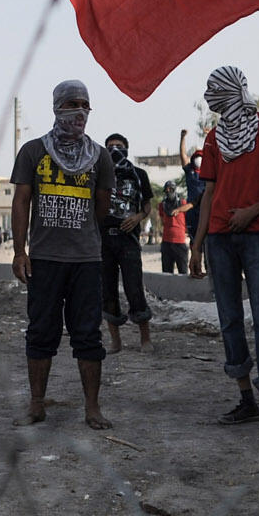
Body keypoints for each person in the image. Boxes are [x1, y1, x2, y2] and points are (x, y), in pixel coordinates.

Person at [189, 66, 259, 433]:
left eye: (215, 91)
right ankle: (246, 400)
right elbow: (208, 193)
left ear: (234, 91)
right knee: (229, 319)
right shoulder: (213, 137)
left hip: (257, 236)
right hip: (219, 240)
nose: (210, 98)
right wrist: (197, 244)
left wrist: (253, 211)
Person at [11, 81, 115, 429]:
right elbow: (22, 201)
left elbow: (101, 207)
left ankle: (92, 408)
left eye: (86, 104)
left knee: (88, 335)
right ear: (57, 106)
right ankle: (36, 405)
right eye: (73, 103)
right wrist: (18, 251)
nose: (80, 110)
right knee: (41, 332)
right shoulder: (32, 151)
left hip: (86, 260)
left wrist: (85, 236)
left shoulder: (100, 156)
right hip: (44, 258)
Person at [98, 132, 154, 352]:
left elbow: (147, 205)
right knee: (107, 290)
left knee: (134, 288)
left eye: (119, 146)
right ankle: (115, 341)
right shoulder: (99, 174)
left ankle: (145, 339)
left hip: (128, 240)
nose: (114, 149)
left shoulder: (138, 174)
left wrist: (138, 217)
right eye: (110, 146)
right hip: (103, 240)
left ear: (127, 149)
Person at [176, 131, 207, 240]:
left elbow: (213, 152)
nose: (199, 160)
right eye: (197, 157)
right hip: (192, 211)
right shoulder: (190, 170)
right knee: (194, 239)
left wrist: (208, 136)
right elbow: (183, 155)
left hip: (205, 208)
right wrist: (182, 138)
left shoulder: (208, 171)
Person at [158, 182, 192, 274]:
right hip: (166, 242)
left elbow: (188, 217)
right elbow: (162, 221)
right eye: (167, 190)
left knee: (183, 272)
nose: (168, 192)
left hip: (180, 242)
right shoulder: (162, 205)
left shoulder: (183, 203)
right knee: (166, 273)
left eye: (170, 189)